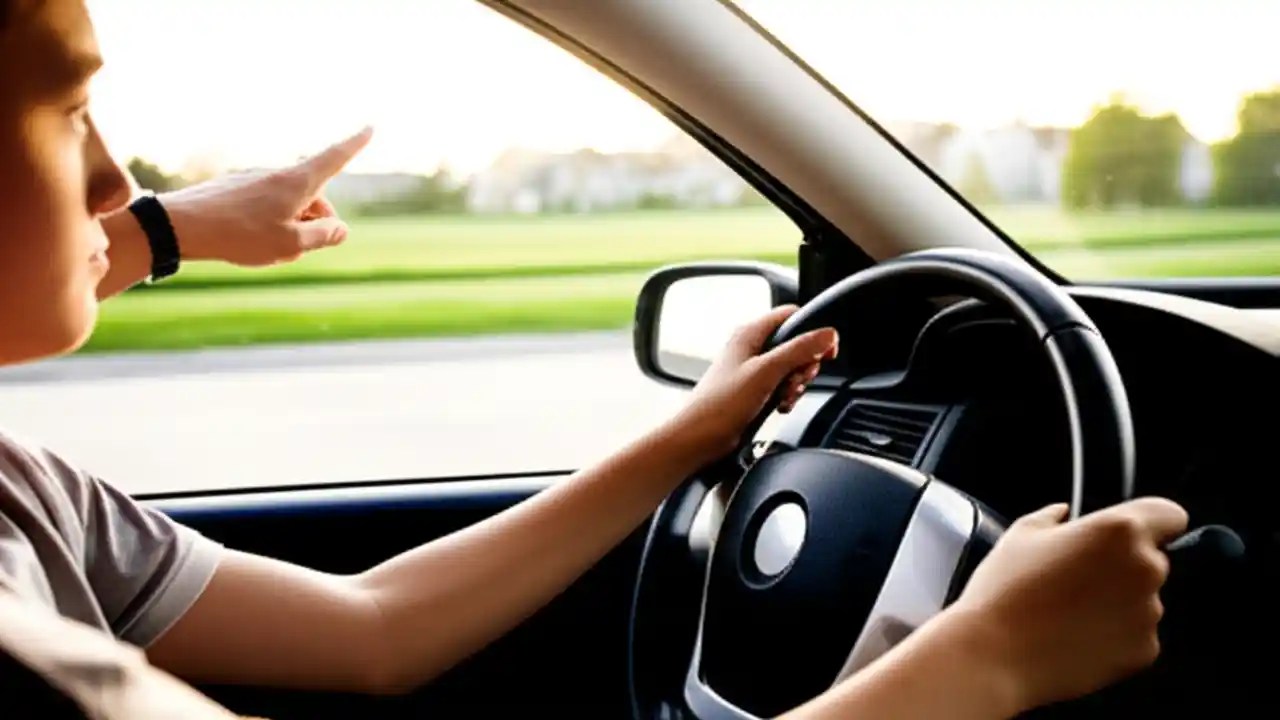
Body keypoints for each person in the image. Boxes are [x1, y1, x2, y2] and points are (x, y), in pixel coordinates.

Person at [0, 1, 1189, 718]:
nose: (115, 178)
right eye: (65, 112)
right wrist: (982, 663)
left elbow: (372, 627)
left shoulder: (25, 492)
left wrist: (691, 432)